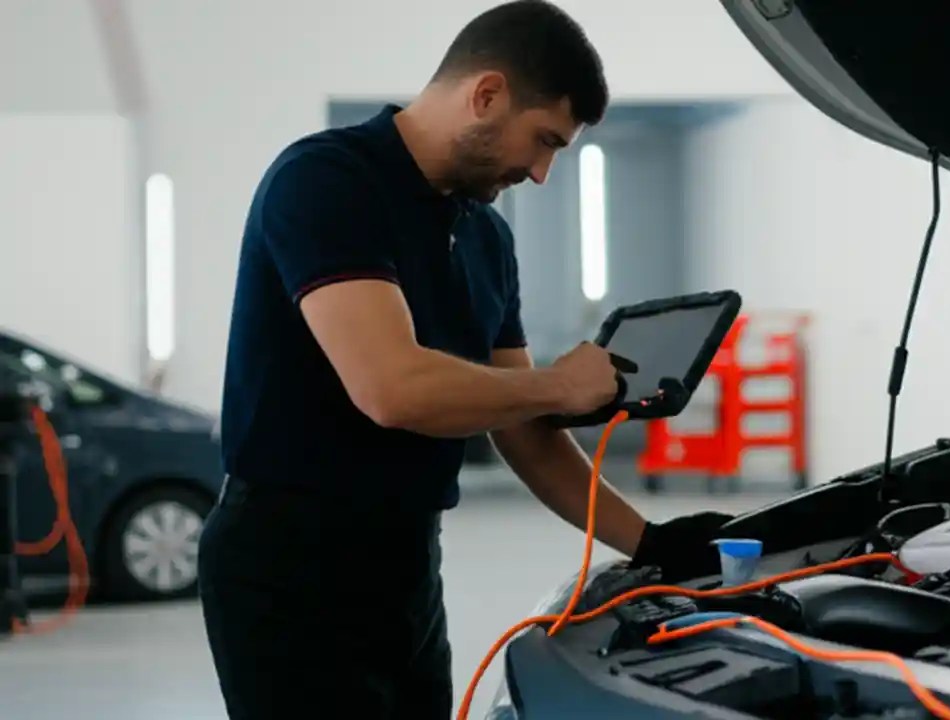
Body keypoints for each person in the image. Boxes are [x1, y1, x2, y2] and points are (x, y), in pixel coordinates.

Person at [196, 1, 734, 718]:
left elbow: (523, 429)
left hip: (407, 565)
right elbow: (392, 388)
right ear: (486, 95)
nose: (540, 173)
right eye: (543, 141)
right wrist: (557, 385)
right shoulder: (327, 180)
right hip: (289, 566)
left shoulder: (485, 238)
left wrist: (652, 542)